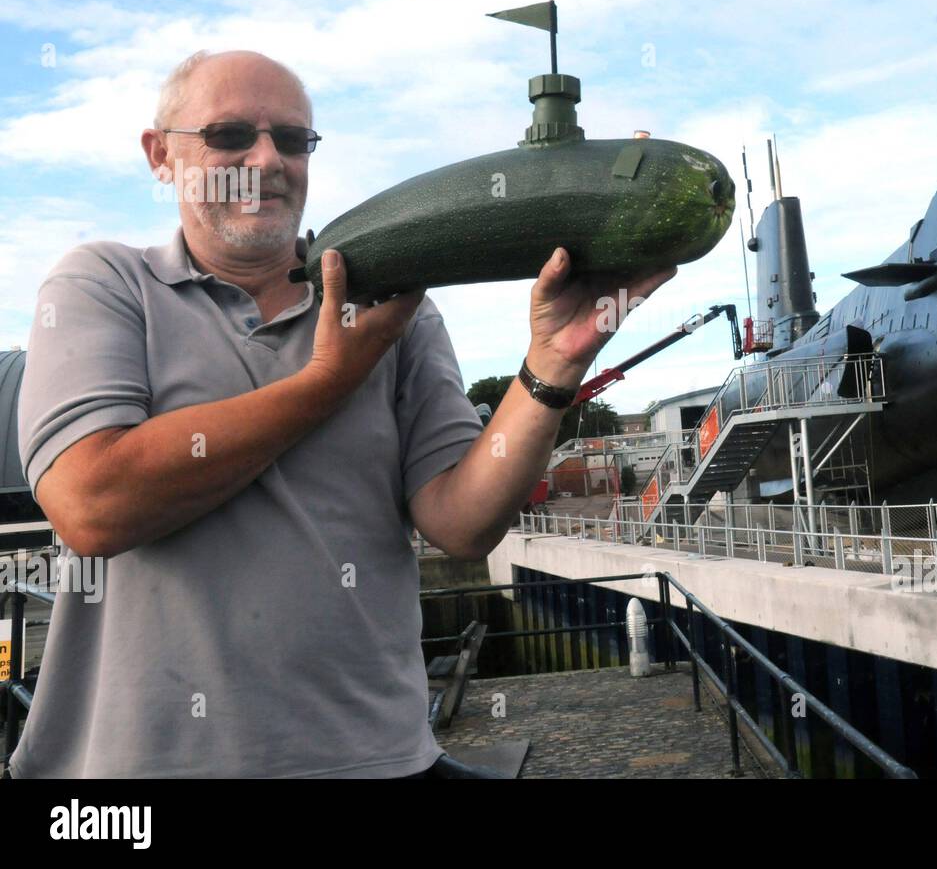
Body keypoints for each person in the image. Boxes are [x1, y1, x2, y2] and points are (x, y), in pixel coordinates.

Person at [11, 49, 673, 778]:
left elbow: (461, 523)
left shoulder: (399, 313)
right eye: (230, 135)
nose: (267, 159)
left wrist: (551, 363)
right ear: (159, 154)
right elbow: (92, 503)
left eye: (293, 140)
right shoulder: (102, 283)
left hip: (375, 761)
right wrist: (330, 380)